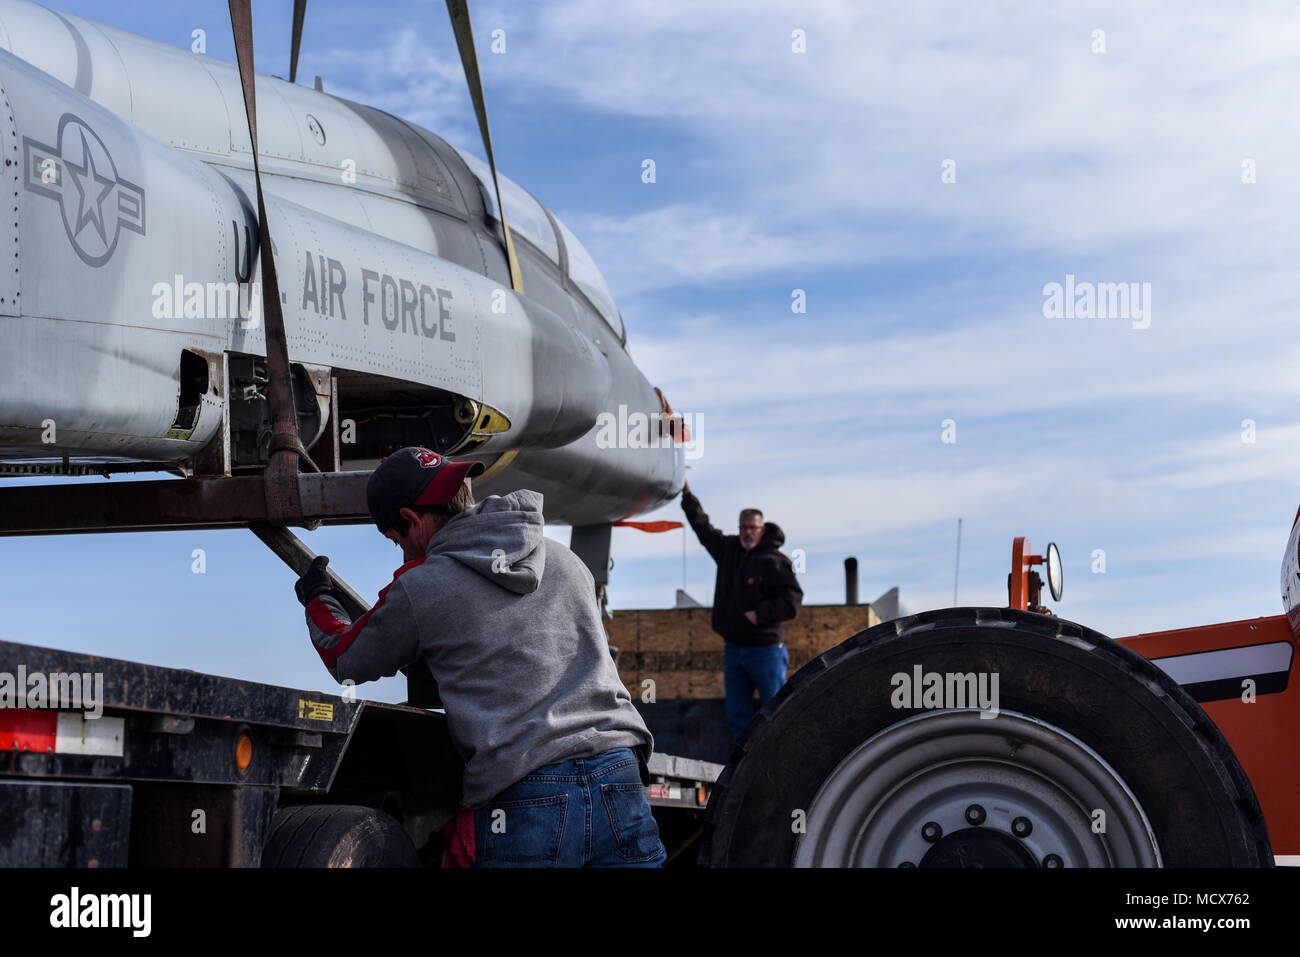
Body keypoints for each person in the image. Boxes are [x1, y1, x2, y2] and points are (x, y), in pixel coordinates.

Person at [295, 446, 666, 868]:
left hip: (526, 791)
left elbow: (345, 656)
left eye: (395, 537)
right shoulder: (565, 559)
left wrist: (317, 596)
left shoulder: (424, 585)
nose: (400, 549)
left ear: (412, 522)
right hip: (620, 775)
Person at [680, 481, 803, 741]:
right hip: (734, 649)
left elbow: (792, 601)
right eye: (744, 527)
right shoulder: (728, 551)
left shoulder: (775, 561)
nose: (748, 532)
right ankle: (742, 772)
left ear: (762, 529)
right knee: (738, 718)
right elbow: (702, 528)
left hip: (766, 650)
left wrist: (760, 614)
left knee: (775, 711)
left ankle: (776, 761)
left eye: (753, 528)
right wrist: (687, 496)